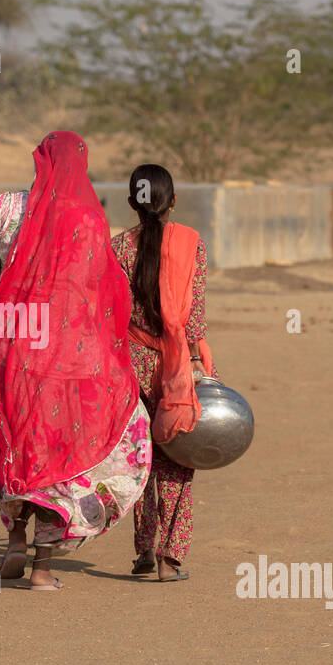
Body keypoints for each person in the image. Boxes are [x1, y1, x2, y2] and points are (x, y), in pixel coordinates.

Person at [0, 131, 151, 591]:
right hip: (76, 357)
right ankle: (42, 568)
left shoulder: (10, 206)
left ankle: (15, 541)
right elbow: (103, 288)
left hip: (13, 348)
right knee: (62, 451)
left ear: (41, 163)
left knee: (17, 440)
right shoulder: (91, 218)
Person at [111, 165, 215, 582]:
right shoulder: (192, 243)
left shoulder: (117, 247)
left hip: (130, 360)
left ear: (132, 202)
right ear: (172, 201)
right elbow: (195, 316)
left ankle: (143, 549)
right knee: (180, 453)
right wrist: (194, 361)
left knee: (142, 455)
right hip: (179, 363)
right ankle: (170, 557)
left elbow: (109, 312)